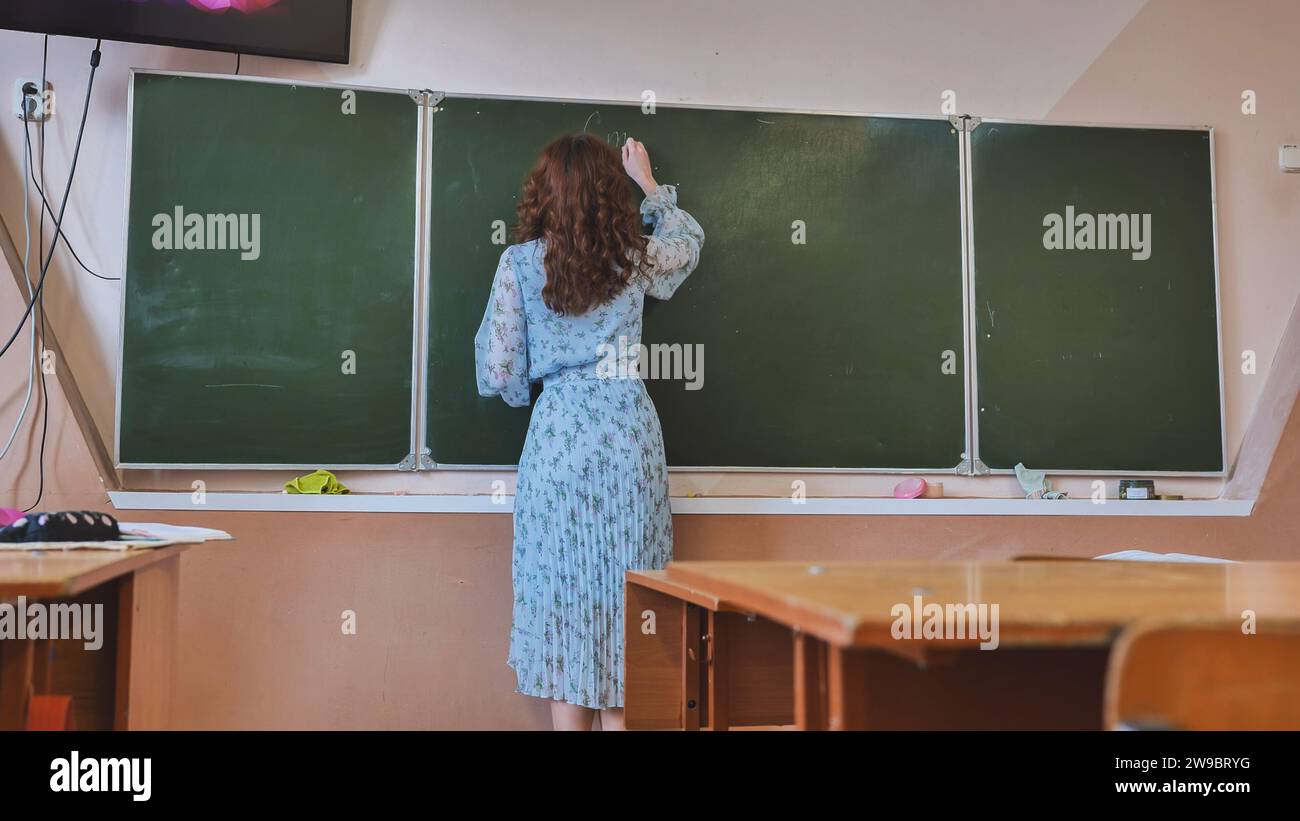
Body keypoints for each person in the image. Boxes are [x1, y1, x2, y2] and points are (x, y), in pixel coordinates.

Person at [474, 133, 704, 730]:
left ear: (542, 195)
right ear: (609, 192)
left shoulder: (520, 264)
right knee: (631, 605)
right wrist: (650, 185)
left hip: (559, 443)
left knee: (563, 609)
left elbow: (500, 367)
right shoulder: (631, 258)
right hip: (628, 435)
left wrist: (537, 388)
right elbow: (688, 244)